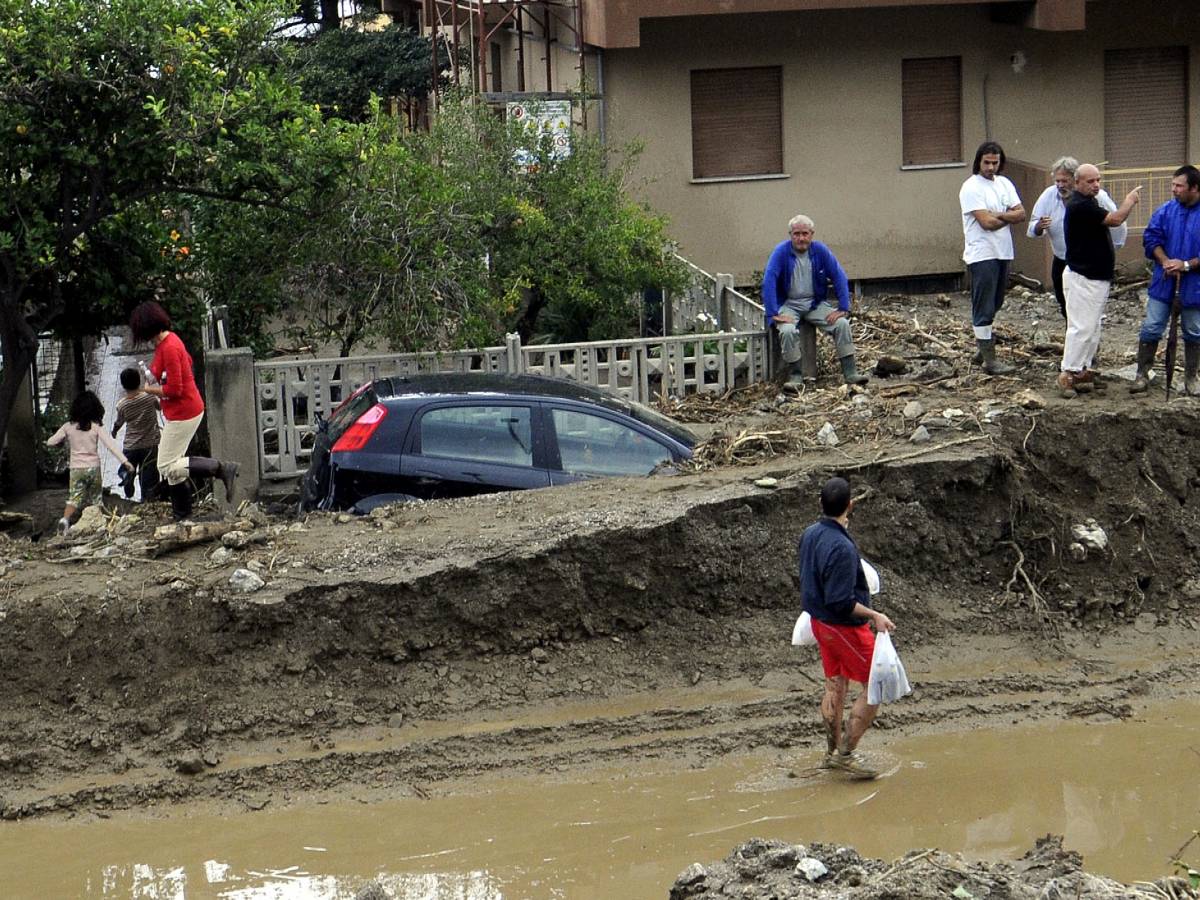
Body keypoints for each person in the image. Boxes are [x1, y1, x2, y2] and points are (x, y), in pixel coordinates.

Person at [797, 476, 896, 779]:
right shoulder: (841, 548)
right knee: (877, 683)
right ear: (850, 506)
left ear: (820, 504)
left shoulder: (810, 534)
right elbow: (841, 601)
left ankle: (831, 752)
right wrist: (875, 615)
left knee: (835, 683)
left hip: (819, 623)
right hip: (842, 627)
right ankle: (846, 754)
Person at [128, 300, 240, 519]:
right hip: (182, 410)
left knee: (166, 466)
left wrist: (151, 391)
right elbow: (186, 363)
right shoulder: (170, 341)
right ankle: (183, 515)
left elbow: (175, 389)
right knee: (175, 470)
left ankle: (222, 468)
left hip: (184, 412)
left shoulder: (168, 347)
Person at [1057, 165, 1141, 397]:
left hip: (1095, 277)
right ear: (1077, 183)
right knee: (1081, 327)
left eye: (1098, 180)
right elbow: (1115, 219)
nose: (1096, 185)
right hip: (1083, 276)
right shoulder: (1080, 205)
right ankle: (1068, 373)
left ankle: (1083, 370)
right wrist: (1130, 201)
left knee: (1092, 327)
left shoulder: (1090, 202)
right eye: (1090, 181)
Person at [761, 215, 869, 386]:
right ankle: (795, 375)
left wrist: (843, 307)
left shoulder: (820, 251)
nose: (801, 238)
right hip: (789, 304)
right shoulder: (781, 251)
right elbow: (769, 280)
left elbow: (838, 275)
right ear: (790, 234)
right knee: (788, 330)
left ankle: (850, 372)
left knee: (842, 324)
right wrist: (773, 313)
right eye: (796, 234)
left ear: (812, 234)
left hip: (814, 304)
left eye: (805, 233)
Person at [1027, 156, 1128, 320]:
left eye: (1064, 181)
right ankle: (1073, 339)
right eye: (1057, 181)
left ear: (1075, 180)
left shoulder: (1097, 197)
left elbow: (1117, 223)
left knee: (1087, 310)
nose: (1060, 185)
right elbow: (1032, 228)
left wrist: (1114, 247)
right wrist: (1039, 226)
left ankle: (1086, 342)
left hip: (1087, 264)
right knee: (1066, 306)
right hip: (1062, 260)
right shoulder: (1048, 196)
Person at [1131, 165, 1200, 395]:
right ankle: (1142, 374)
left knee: (1193, 331)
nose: (1173, 190)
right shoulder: (1165, 211)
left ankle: (1191, 378)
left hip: (1194, 286)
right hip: (1164, 281)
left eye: (1179, 186)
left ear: (1194, 188)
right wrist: (1165, 261)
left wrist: (1187, 264)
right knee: (1151, 327)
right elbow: (1151, 238)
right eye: (1173, 185)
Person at [959, 141, 1026, 375]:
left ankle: (982, 346)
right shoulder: (971, 187)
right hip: (982, 253)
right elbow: (986, 223)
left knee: (997, 302)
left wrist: (999, 214)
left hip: (1003, 251)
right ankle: (990, 359)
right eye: (986, 162)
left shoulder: (1004, 184)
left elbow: (1021, 214)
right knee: (984, 305)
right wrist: (1007, 216)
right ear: (978, 161)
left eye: (995, 163)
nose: (990, 167)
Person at [46, 390, 134, 535]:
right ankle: (97, 523)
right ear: (95, 409)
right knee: (96, 498)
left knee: (74, 498)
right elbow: (111, 445)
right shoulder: (96, 427)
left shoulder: (68, 426)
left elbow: (50, 442)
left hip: (76, 469)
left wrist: (60, 442)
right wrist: (125, 462)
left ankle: (65, 520)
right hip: (93, 468)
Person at [112, 367, 162, 501]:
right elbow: (159, 407)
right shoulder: (149, 397)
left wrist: (114, 431)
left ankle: (126, 476)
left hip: (131, 445)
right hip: (150, 444)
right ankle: (147, 501)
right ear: (139, 381)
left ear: (123, 386)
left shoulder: (122, 405)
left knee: (126, 467)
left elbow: (119, 422)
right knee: (149, 476)